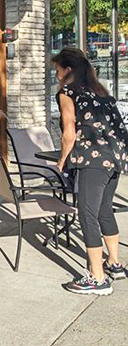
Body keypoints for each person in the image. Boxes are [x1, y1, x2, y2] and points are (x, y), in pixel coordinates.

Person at [54, 47, 128, 295]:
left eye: (57, 71)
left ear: (68, 70)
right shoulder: (102, 94)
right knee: (104, 210)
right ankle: (115, 264)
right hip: (115, 158)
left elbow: (68, 133)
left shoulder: (68, 92)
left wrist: (63, 159)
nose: (56, 76)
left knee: (87, 214)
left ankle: (97, 278)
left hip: (92, 160)